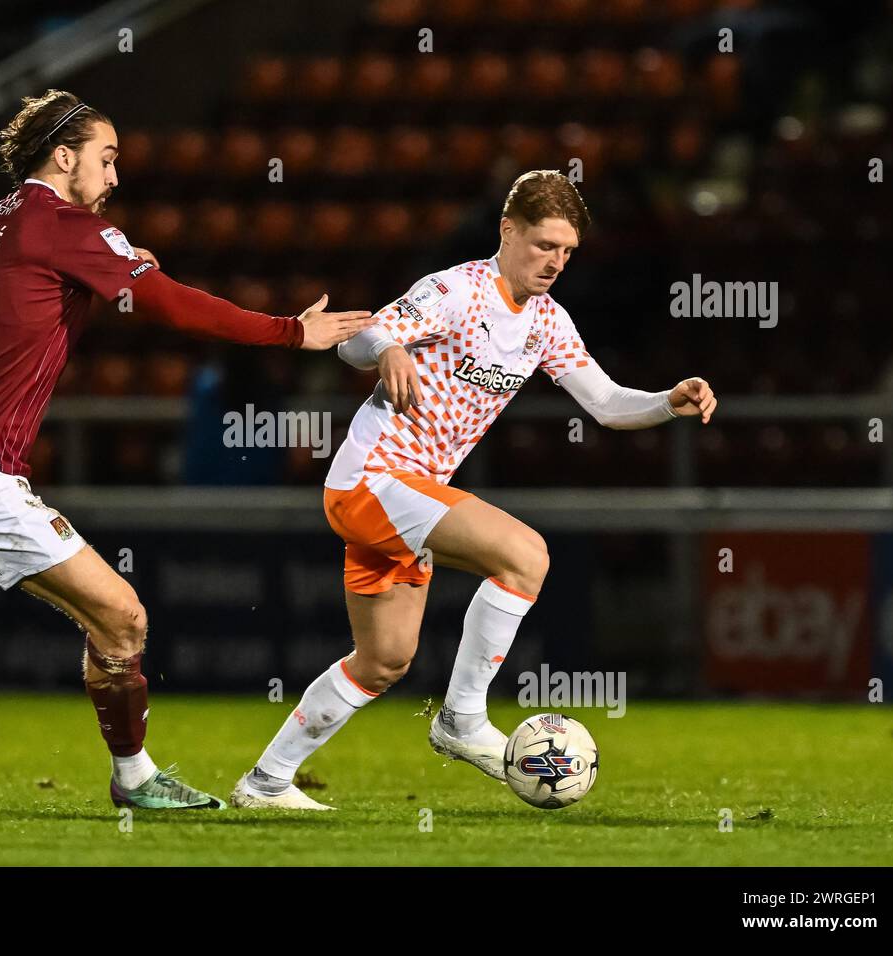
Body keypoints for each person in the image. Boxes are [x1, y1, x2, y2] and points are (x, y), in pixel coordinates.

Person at [0, 90, 373, 810]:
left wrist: (112, 265)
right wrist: (290, 334)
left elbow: (34, 299)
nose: (114, 178)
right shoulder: (61, 223)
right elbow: (172, 305)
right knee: (122, 617)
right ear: (63, 155)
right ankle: (136, 779)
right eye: (105, 159)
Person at [231, 170, 718, 809]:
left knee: (383, 661)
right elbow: (360, 339)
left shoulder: (546, 321)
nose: (556, 262)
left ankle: (264, 782)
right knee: (526, 555)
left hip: (409, 498)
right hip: (374, 480)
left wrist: (665, 402)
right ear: (507, 231)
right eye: (544, 245)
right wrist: (387, 351)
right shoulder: (456, 291)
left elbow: (604, 403)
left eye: (567, 252)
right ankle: (462, 719)